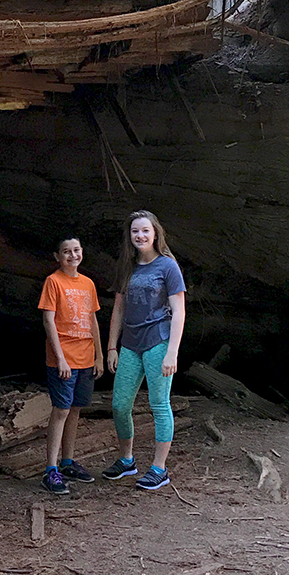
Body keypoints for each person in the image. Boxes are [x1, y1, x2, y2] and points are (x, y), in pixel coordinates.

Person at [103, 210, 186, 491]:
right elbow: (118, 308)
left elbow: (179, 310)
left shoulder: (168, 267)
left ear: (155, 234)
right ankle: (127, 460)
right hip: (130, 343)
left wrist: (172, 351)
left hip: (158, 341)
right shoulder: (127, 266)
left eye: (145, 231)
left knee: (159, 404)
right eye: (135, 231)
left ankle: (159, 469)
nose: (140, 236)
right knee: (119, 405)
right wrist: (112, 346)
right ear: (130, 236)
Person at [37, 236, 103, 496]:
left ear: (82, 253)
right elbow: (48, 321)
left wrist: (99, 355)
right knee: (61, 410)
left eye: (76, 250)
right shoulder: (53, 282)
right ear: (57, 256)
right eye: (66, 252)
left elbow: (93, 320)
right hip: (63, 359)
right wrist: (61, 357)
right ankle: (50, 469)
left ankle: (68, 462)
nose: (72, 255)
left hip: (86, 357)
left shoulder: (87, 283)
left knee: (75, 409)